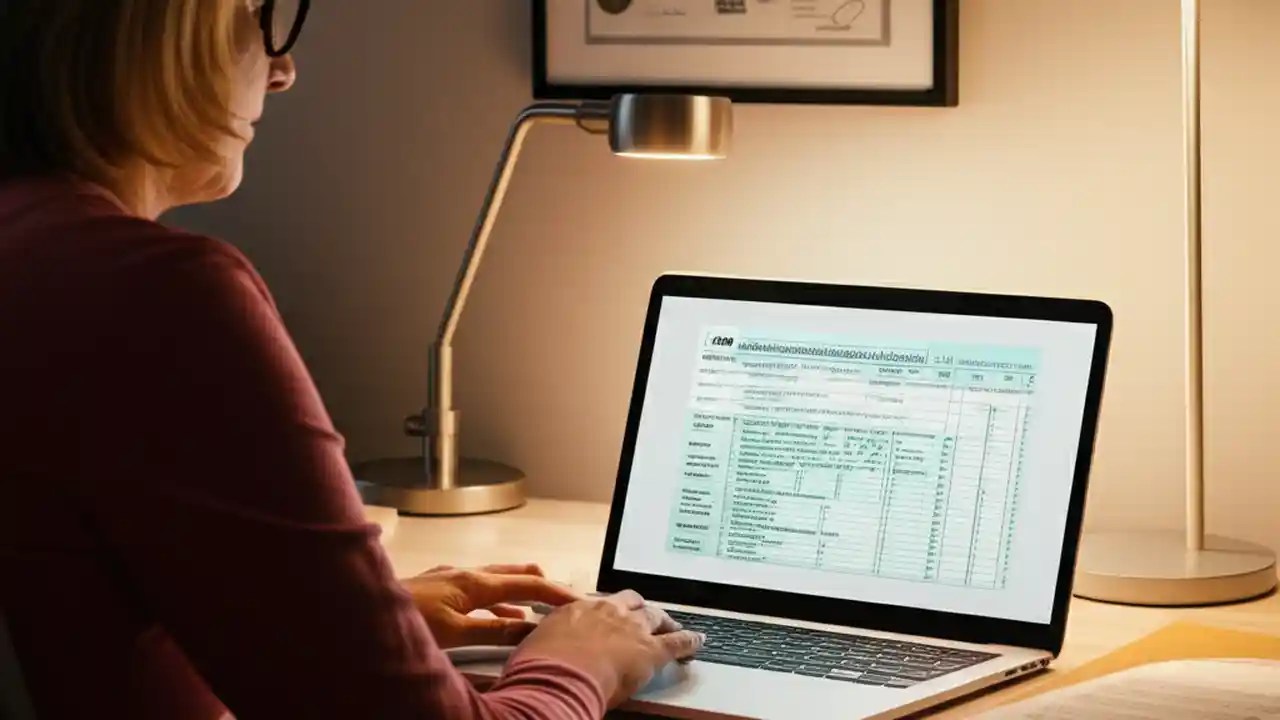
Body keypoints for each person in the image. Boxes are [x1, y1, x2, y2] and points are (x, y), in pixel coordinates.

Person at [0, 1, 703, 718]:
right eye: (260, 14)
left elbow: (80, 614)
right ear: (157, 28)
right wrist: (579, 661)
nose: (283, 71)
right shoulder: (153, 296)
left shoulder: (35, 255)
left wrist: (346, 622)